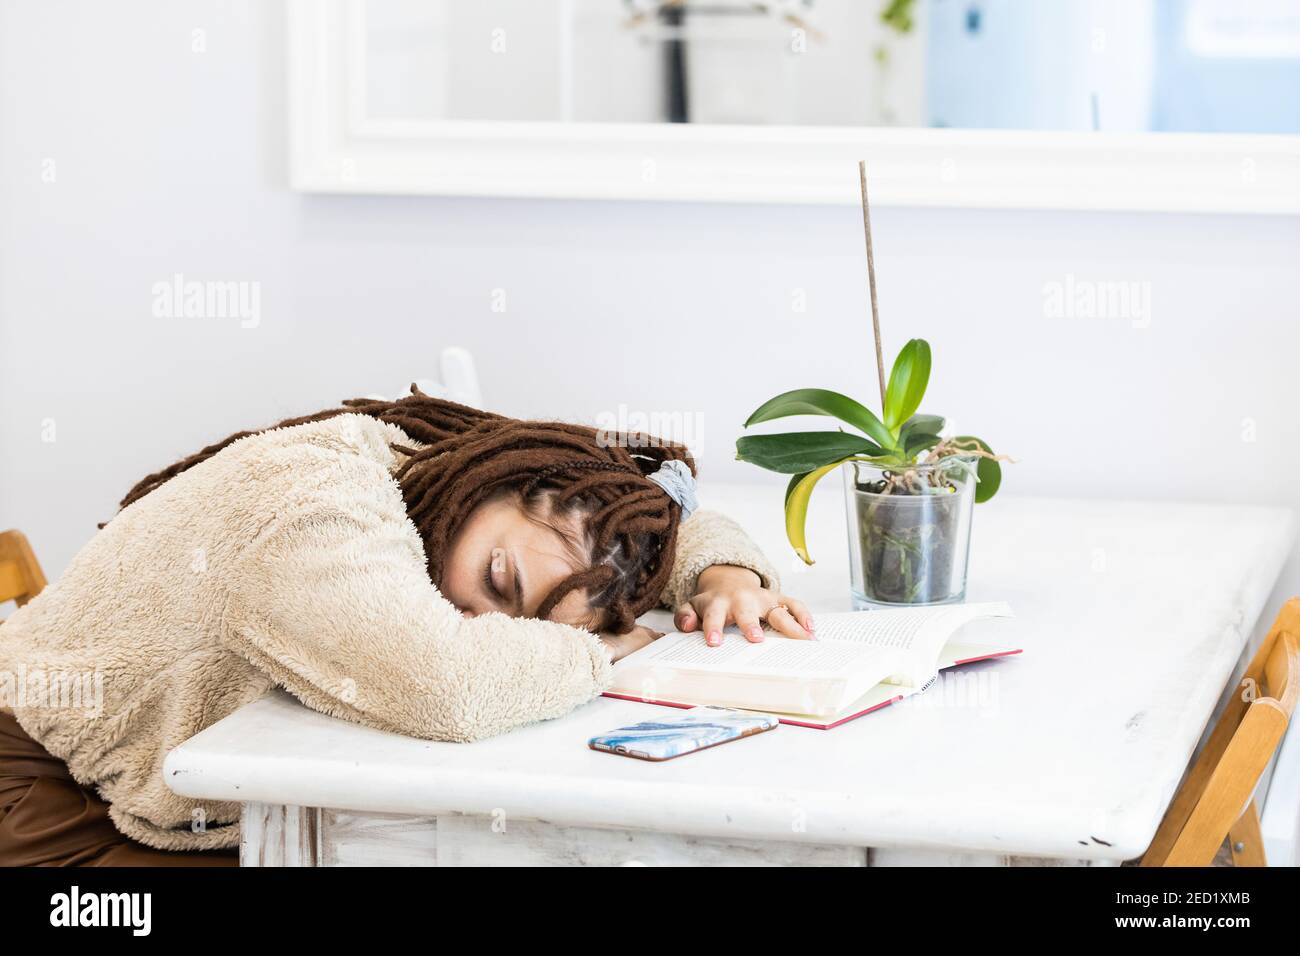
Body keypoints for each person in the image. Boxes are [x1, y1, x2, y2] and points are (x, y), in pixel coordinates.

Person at [0, 390, 812, 865]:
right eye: (497, 582)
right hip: (41, 803)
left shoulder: (446, 474)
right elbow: (446, 683)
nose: (482, 622)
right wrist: (589, 651)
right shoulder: (314, 504)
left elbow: (649, 503)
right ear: (494, 476)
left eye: (524, 617)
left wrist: (720, 574)